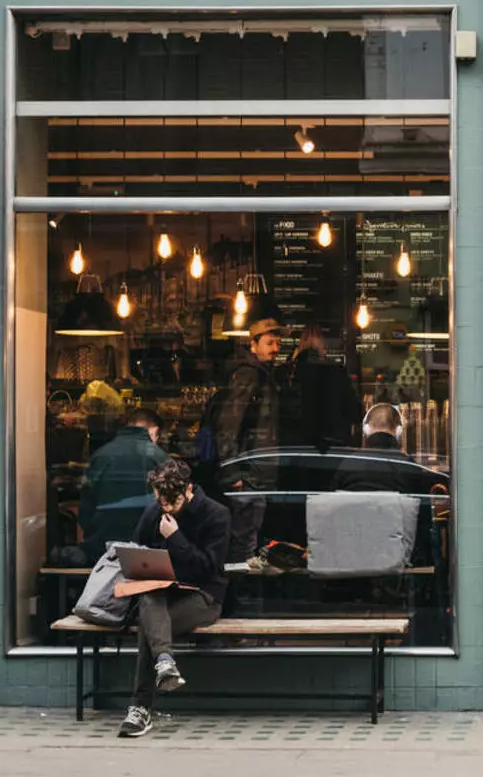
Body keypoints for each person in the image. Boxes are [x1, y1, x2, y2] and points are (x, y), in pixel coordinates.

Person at [117, 460, 230, 738]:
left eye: (173, 502)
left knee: (149, 625)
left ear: (188, 489)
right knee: (149, 606)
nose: (166, 508)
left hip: (203, 597)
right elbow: (137, 549)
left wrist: (176, 537)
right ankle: (164, 662)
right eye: (161, 501)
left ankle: (140, 708)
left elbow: (208, 567)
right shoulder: (154, 511)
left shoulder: (216, 515)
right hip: (160, 595)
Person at [217, 316, 283, 562]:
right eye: (270, 343)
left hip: (257, 474)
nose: (276, 348)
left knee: (248, 540)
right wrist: (233, 475)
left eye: (278, 343)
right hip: (249, 476)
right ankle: (239, 597)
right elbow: (229, 425)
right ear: (253, 344)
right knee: (243, 543)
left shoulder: (262, 375)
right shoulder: (249, 376)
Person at [75, 409, 170, 564]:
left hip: (101, 548)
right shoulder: (160, 457)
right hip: (148, 551)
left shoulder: (100, 455)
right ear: (154, 430)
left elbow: (85, 510)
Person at [285, 323, 364, 449]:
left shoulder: (289, 373)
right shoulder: (335, 373)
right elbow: (355, 411)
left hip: (296, 447)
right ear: (322, 345)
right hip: (332, 446)